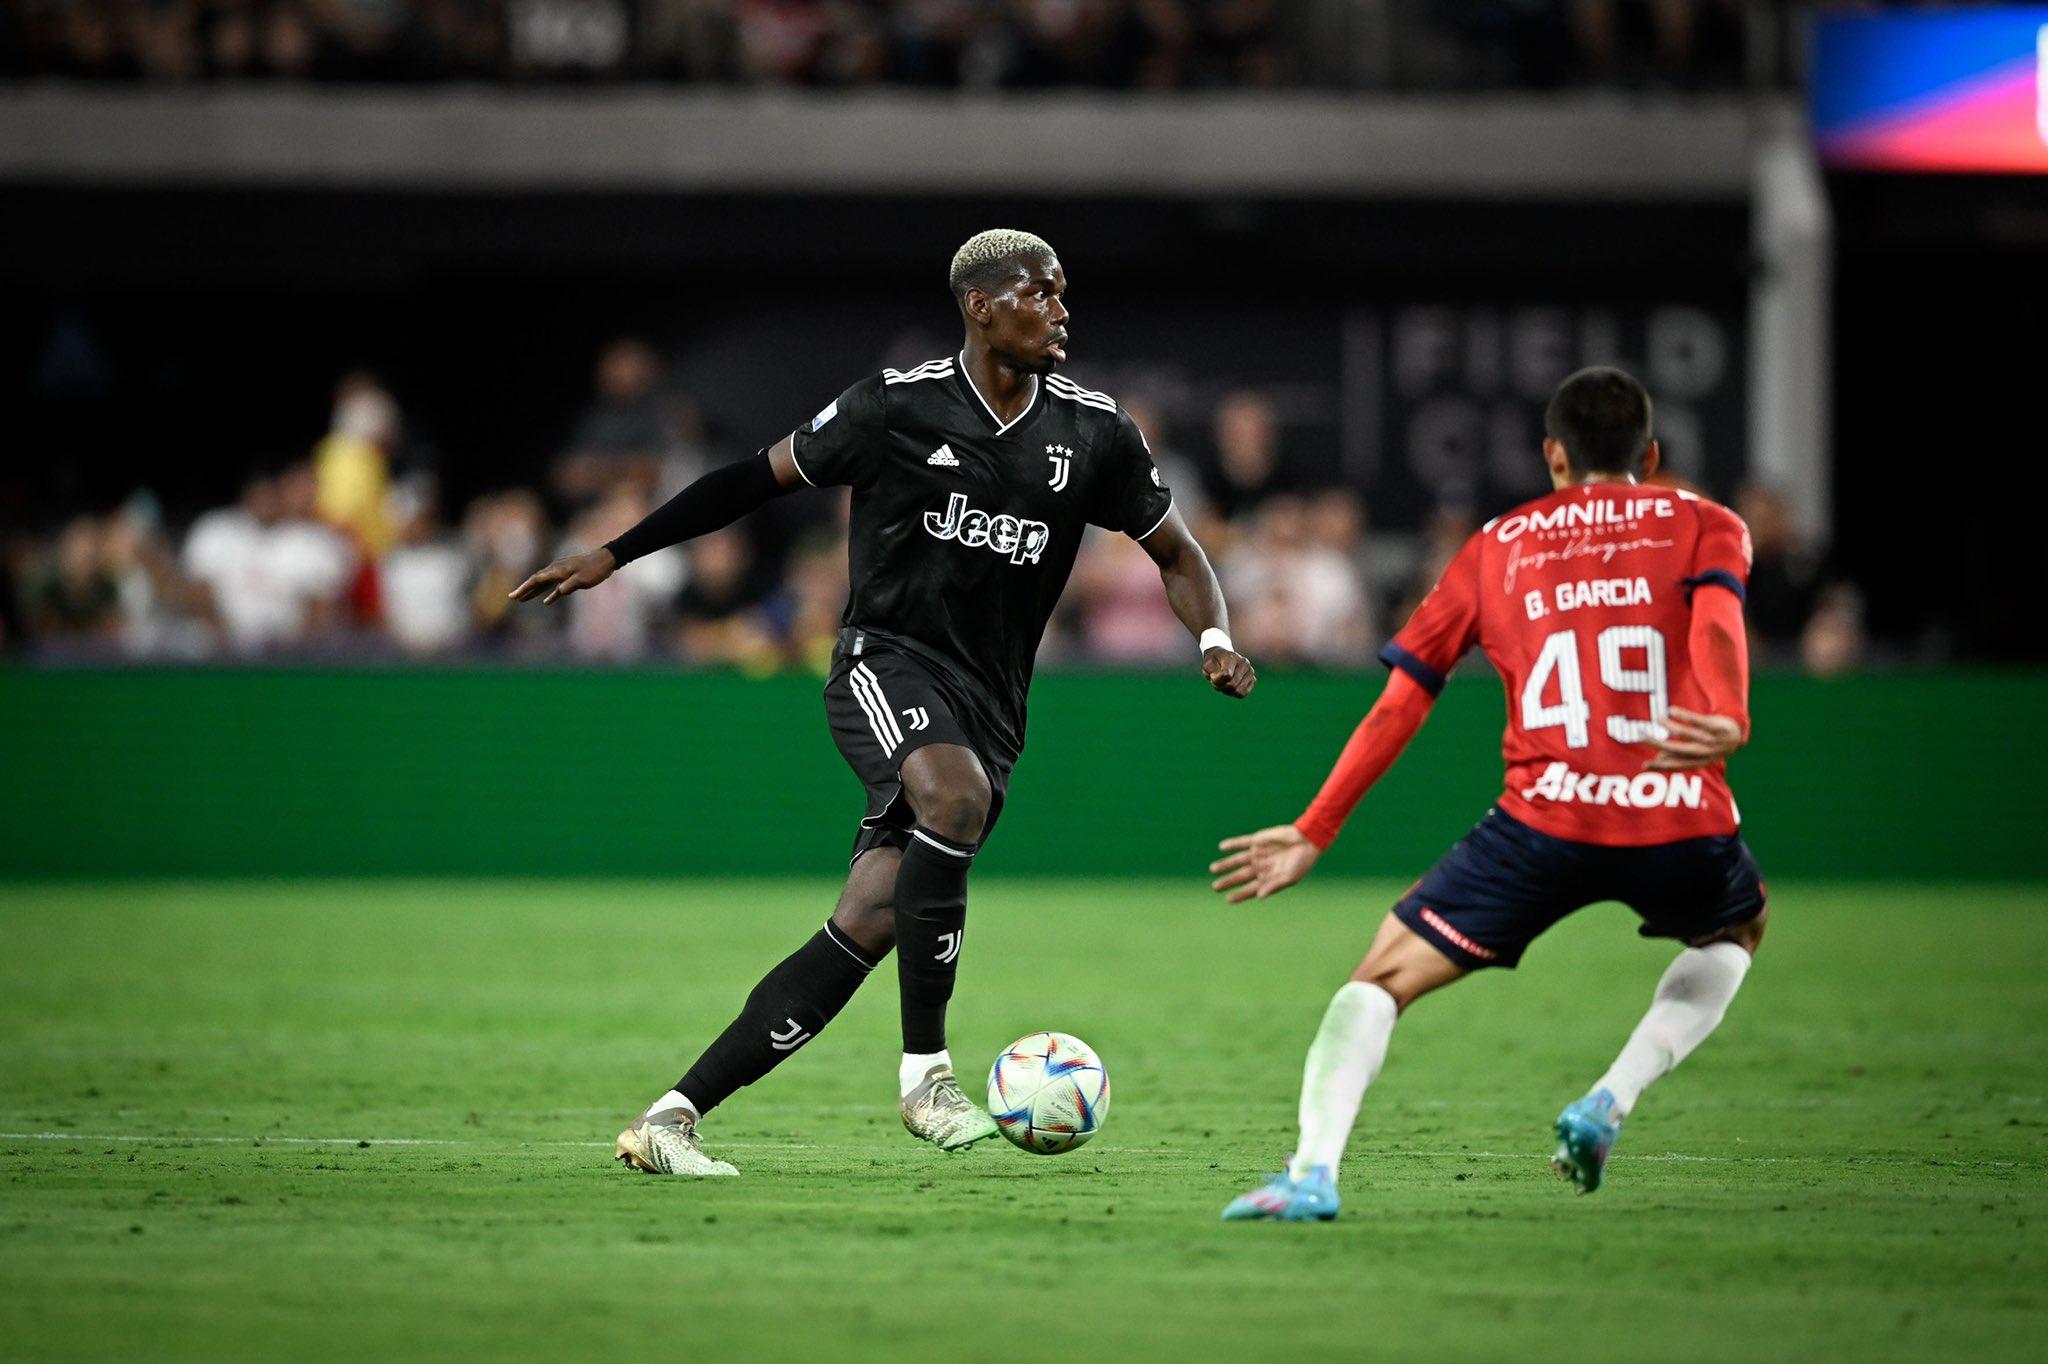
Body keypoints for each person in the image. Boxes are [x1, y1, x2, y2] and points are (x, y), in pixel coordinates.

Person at [512, 228, 1257, 1176]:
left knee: (870, 913)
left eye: (1065, 296)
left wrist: (1216, 638)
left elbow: (1179, 554)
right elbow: (750, 480)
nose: (1062, 313)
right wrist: (610, 554)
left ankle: (670, 1118)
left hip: (991, 708)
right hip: (885, 662)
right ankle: (926, 1077)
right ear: (983, 308)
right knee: (955, 799)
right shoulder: (894, 409)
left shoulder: (1095, 431)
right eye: (1041, 295)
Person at [1209, 367, 1762, 1219]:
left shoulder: (1493, 547)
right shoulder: (1708, 523)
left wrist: (1317, 829)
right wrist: (1727, 714)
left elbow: (1401, 704)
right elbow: (1720, 621)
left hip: (1542, 823)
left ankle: (1312, 1175)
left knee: (1379, 979)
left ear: (1552, 457)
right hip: (1674, 811)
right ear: (1649, 456)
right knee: (1738, 925)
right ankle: (1608, 1100)